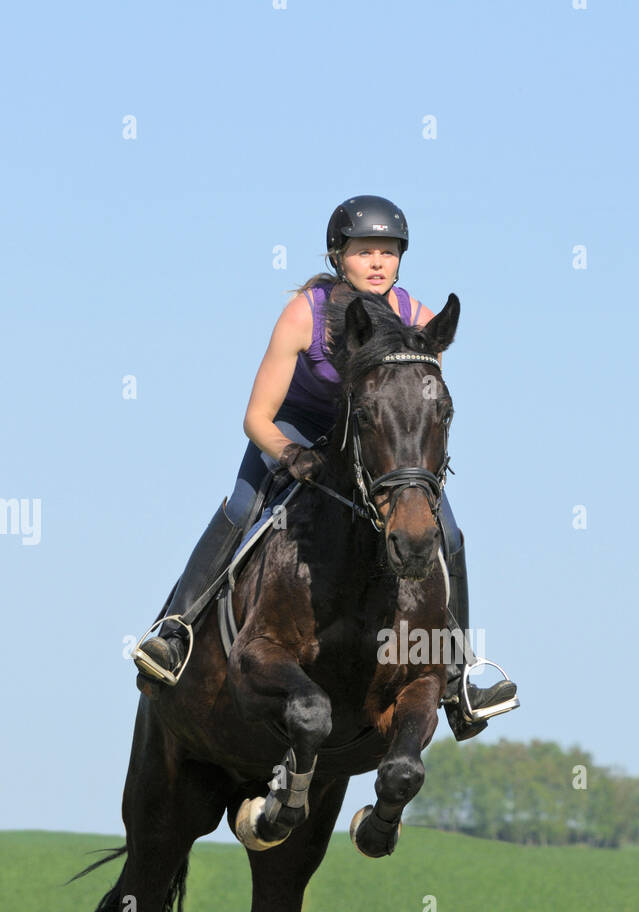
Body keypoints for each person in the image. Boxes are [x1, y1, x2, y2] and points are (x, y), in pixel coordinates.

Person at [133, 195, 518, 740]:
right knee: (243, 506)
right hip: (295, 431)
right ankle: (174, 631)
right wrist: (291, 456)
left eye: (388, 252)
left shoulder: (419, 320)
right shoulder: (304, 314)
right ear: (340, 256)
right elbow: (256, 416)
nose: (378, 263)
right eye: (365, 252)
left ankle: (457, 674)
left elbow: (416, 405)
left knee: (447, 531)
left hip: (376, 440)